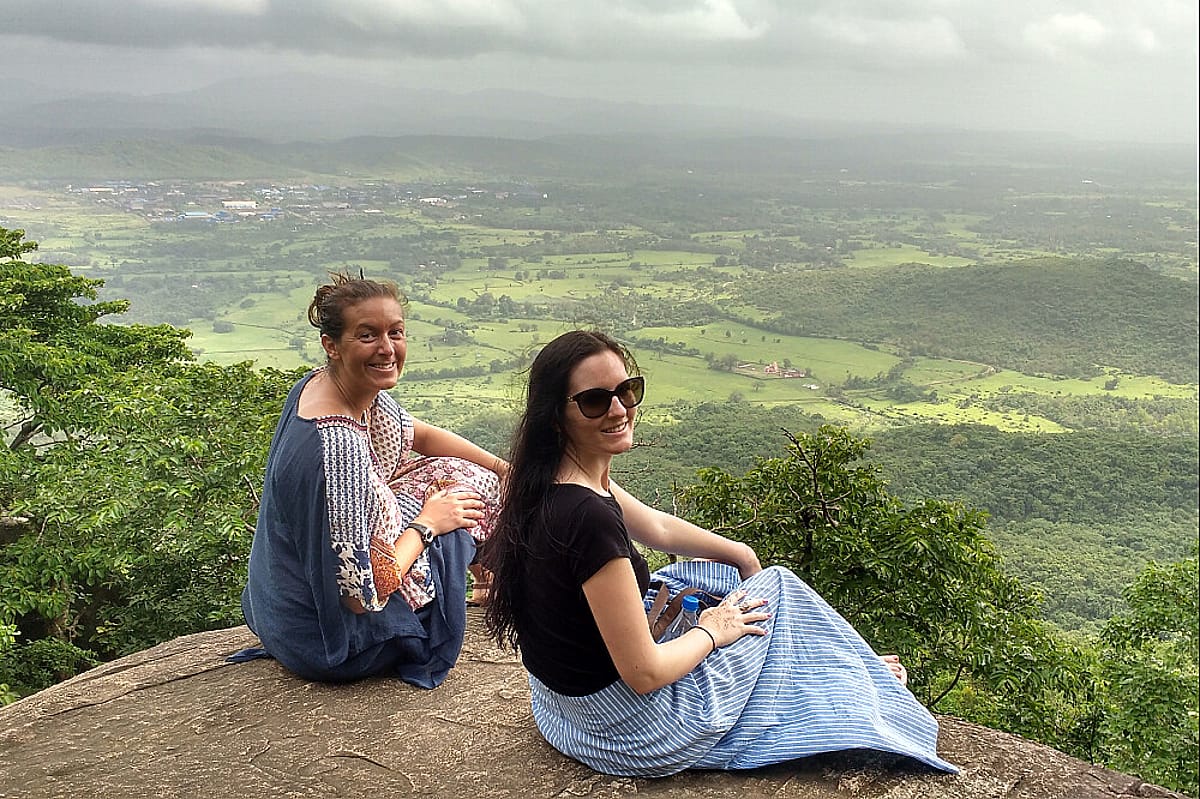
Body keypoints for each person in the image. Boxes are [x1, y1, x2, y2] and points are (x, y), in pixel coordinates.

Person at [480, 330, 957, 777]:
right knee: (779, 590)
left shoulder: (553, 479)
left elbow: (659, 527)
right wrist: (712, 632)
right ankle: (861, 674)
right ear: (555, 414)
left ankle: (850, 665)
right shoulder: (586, 516)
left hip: (564, 714)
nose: (618, 408)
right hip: (633, 728)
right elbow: (644, 673)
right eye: (594, 400)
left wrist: (742, 554)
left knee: (709, 573)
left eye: (627, 390)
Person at [238, 272, 507, 688]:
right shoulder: (337, 448)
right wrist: (428, 524)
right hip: (334, 641)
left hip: (278, 609)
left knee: (464, 474)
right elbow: (360, 596)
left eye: (395, 333)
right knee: (457, 505)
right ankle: (495, 583)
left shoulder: (326, 384)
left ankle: (486, 577)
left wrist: (503, 467)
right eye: (367, 336)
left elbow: (416, 433)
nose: (387, 348)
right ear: (332, 345)